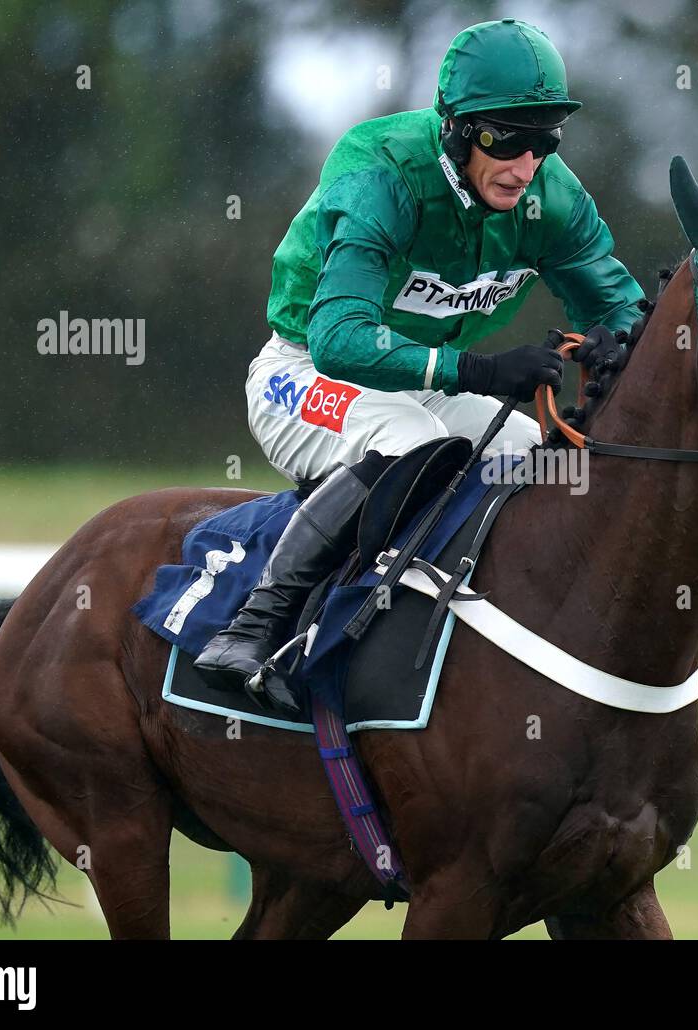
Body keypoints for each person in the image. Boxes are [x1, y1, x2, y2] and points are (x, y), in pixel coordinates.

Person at [195, 18, 645, 697]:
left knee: (530, 454)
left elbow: (622, 312)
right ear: (456, 129)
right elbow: (340, 338)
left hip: (422, 380)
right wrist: (482, 371)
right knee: (413, 442)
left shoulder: (549, 198)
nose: (526, 165)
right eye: (506, 140)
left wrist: (620, 344)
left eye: (544, 141)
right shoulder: (381, 173)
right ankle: (254, 628)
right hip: (305, 372)